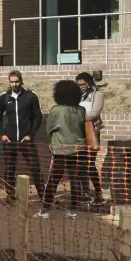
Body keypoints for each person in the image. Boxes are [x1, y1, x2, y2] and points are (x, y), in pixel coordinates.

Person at [38, 80, 90, 214]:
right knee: (75, 178)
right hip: (79, 149)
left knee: (54, 178)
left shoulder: (56, 110)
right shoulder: (81, 110)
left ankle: (46, 207)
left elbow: (48, 129)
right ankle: (73, 208)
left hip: (61, 150)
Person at [0, 69, 42, 203]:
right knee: (9, 169)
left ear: (21, 81)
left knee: (35, 168)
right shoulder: (3, 97)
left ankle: (44, 197)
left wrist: (30, 135)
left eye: (16, 82)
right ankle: (10, 197)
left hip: (26, 140)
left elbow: (38, 117)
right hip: (9, 140)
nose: (14, 84)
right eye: (11, 82)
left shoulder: (31, 96)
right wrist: (2, 135)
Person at [75, 71, 107, 213]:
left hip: (91, 131)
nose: (80, 87)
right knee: (79, 164)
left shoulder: (97, 95)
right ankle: (84, 192)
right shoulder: (76, 95)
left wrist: (78, 117)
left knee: (89, 163)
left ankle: (98, 193)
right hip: (78, 132)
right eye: (78, 85)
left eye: (82, 84)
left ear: (89, 83)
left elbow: (95, 112)